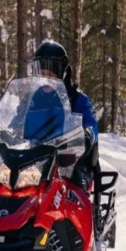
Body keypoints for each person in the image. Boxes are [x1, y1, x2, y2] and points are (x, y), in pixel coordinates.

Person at [27, 41, 99, 189]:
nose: (46, 79)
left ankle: (78, 202)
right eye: (42, 74)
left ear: (62, 73)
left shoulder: (76, 99)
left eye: (50, 74)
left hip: (68, 159)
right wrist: (5, 132)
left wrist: (87, 134)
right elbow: (19, 121)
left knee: (73, 186)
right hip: (36, 157)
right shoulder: (34, 100)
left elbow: (90, 122)